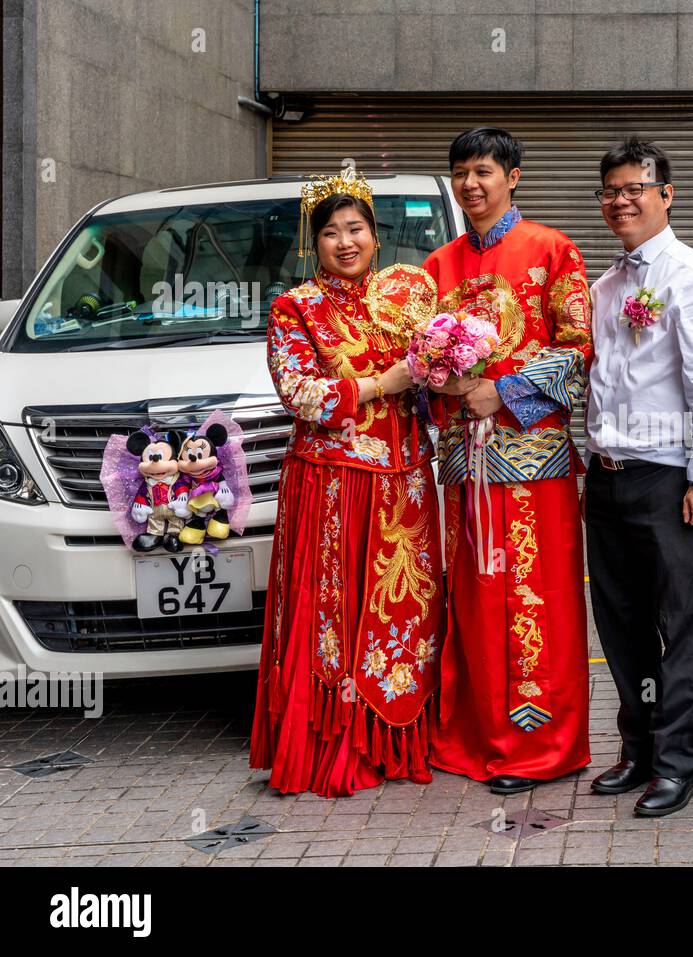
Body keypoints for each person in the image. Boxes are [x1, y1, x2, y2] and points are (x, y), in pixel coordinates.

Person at [250, 168, 442, 797]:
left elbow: (436, 383)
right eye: (330, 232)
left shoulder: (409, 303)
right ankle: (331, 745)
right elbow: (299, 393)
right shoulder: (294, 308)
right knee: (331, 617)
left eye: (355, 228)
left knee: (399, 617)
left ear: (376, 236)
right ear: (315, 243)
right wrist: (376, 386)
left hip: (403, 481)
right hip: (331, 484)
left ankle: (395, 740)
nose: (345, 242)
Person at [422, 127, 593, 795]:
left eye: (484, 170)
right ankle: (473, 736)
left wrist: (505, 389)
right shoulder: (437, 267)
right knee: (474, 602)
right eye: (461, 171)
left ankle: (539, 745)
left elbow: (579, 344)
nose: (472, 183)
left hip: (535, 463)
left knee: (534, 603)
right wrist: (441, 382)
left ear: (513, 176)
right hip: (466, 465)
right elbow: (423, 361)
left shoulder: (554, 250)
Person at [584, 139, 693, 817]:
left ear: (665, 194)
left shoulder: (692, 276)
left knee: (684, 620)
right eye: (610, 191)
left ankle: (680, 761)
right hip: (609, 475)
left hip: (671, 475)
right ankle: (640, 745)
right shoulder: (605, 286)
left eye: (634, 188)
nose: (621, 200)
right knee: (620, 623)